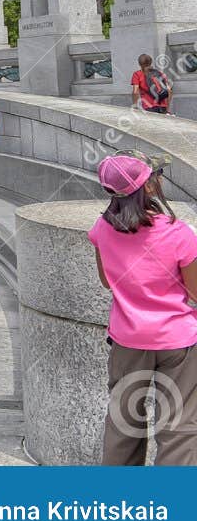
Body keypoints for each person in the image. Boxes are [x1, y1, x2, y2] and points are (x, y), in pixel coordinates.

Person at [89, 153, 197, 464]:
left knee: (124, 424)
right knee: (179, 427)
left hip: (127, 340)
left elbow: (108, 282)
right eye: (157, 173)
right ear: (148, 186)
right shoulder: (178, 233)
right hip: (178, 342)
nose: (160, 178)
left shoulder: (102, 228)